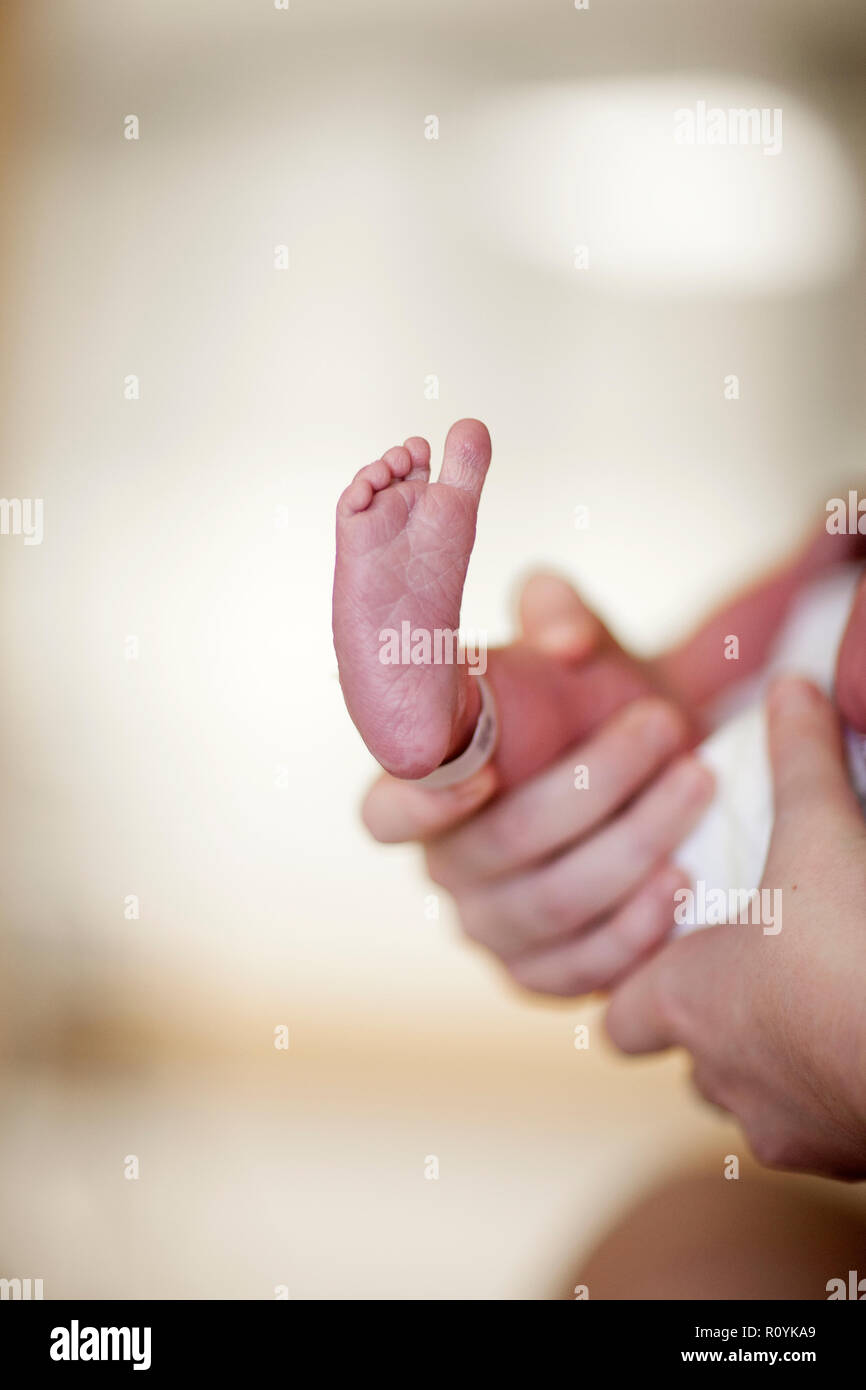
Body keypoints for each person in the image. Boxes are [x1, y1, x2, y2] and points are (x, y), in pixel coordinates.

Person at [333, 418, 866, 1178]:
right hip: (718, 812)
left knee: (605, 706)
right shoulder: (831, 587)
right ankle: (455, 716)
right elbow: (702, 669)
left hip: (766, 888)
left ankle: (457, 715)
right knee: (604, 699)